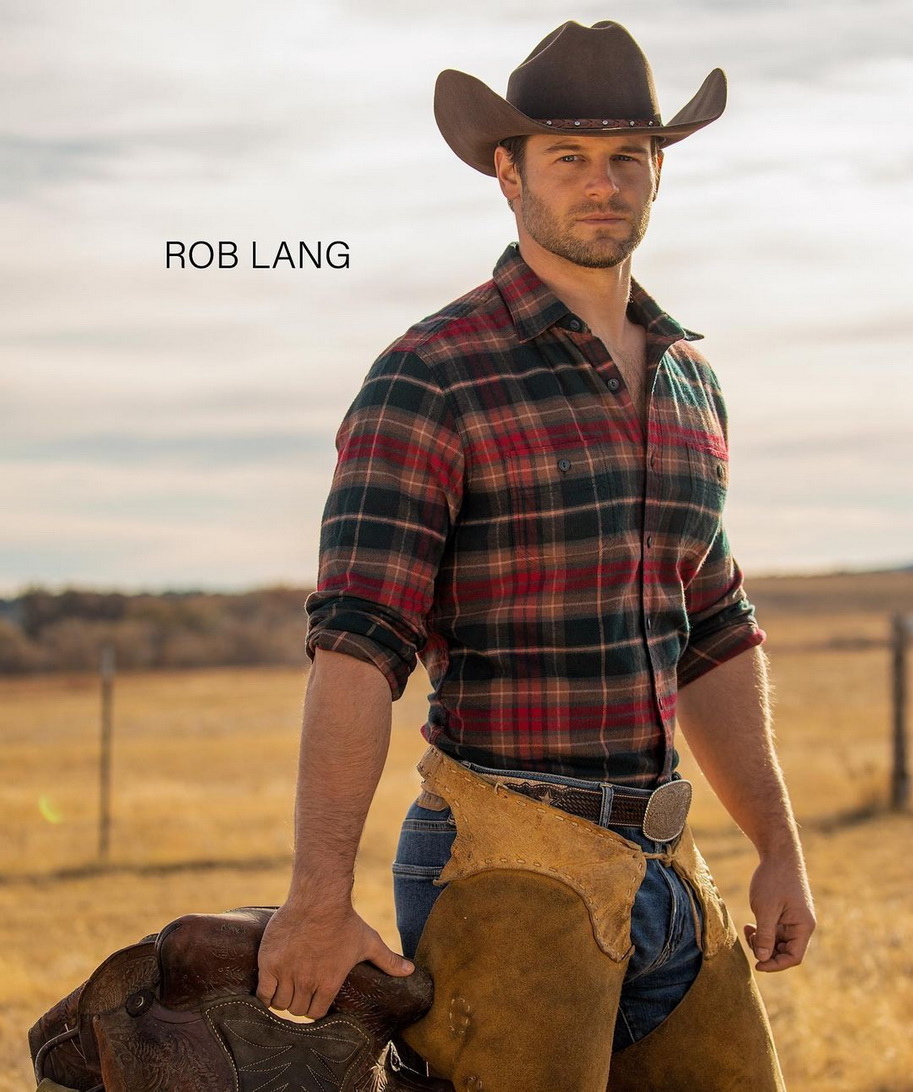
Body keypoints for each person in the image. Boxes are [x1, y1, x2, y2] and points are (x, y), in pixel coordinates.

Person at [257, 20, 816, 1090]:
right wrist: (318, 897)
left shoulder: (689, 379)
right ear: (507, 175)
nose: (601, 184)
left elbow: (712, 627)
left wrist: (778, 847)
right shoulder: (431, 374)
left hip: (665, 870)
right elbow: (357, 646)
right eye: (567, 158)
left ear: (657, 174)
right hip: (503, 858)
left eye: (628, 159)